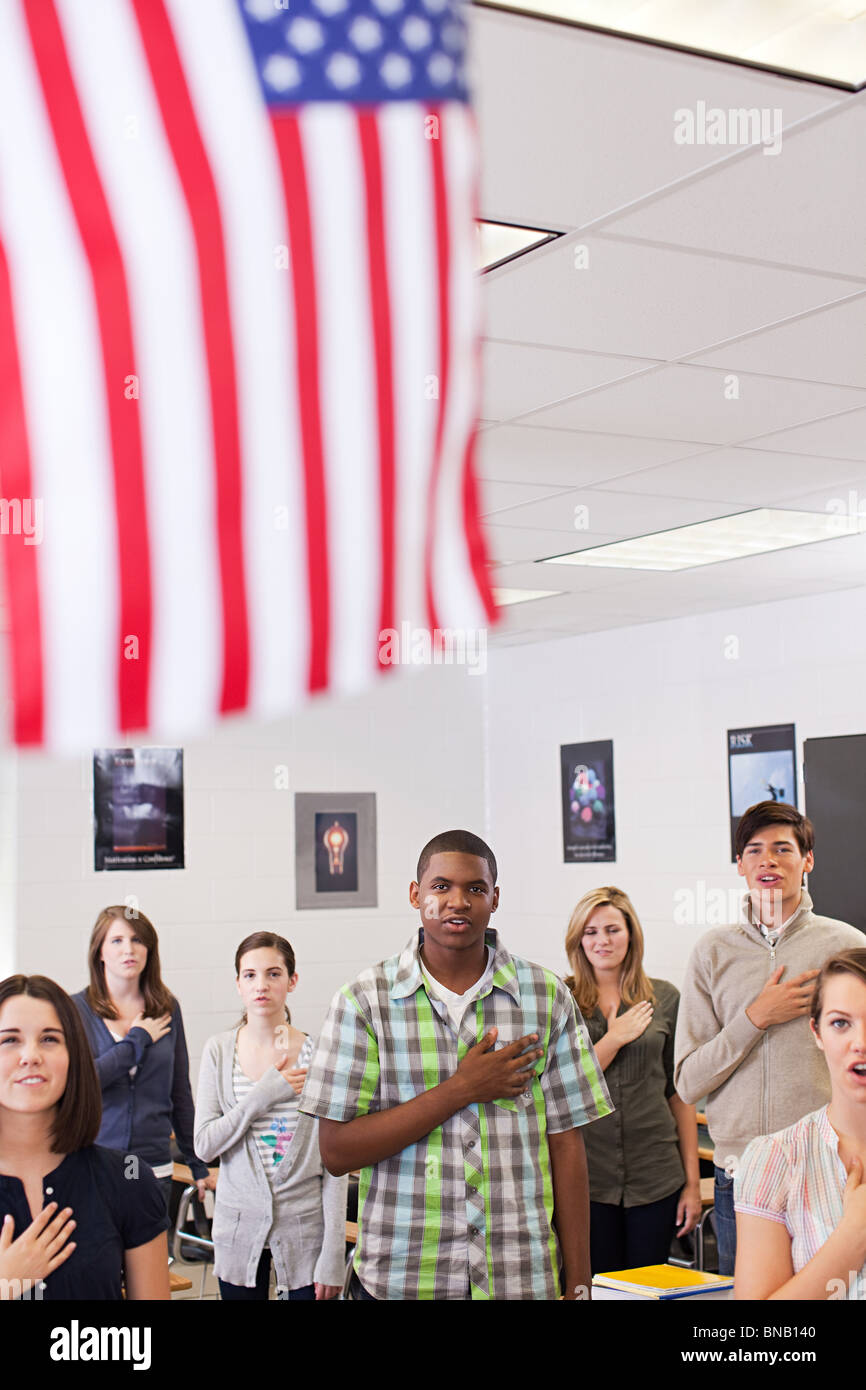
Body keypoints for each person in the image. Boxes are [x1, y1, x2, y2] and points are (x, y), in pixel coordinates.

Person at [300, 828, 613, 1301]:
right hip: (402, 1277)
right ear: (416, 895)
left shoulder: (546, 997)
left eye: (475, 889)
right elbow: (337, 1152)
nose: (458, 902)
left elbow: (567, 1145)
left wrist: (580, 1279)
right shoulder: (364, 1001)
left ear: (495, 899)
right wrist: (462, 1089)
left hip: (521, 1275)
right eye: (441, 887)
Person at [674, 801, 862, 1275]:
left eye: (782, 848)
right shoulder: (712, 952)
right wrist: (755, 1018)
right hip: (739, 1173)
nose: (768, 861)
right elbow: (687, 1082)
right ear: (740, 865)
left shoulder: (846, 946)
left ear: (808, 860)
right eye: (754, 850)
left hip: (832, 1168)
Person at [194, 932, 346, 1301]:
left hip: (305, 1231)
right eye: (250, 975)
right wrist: (264, 1094)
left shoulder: (321, 1054)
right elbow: (204, 1146)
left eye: (273, 974)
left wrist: (333, 1252)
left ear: (292, 981)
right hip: (237, 1229)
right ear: (238, 984)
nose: (261, 985)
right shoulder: (218, 1051)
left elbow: (335, 1164)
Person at [0, 974, 169, 1301]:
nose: (31, 1055)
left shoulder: (127, 1179)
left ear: (74, 1056)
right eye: (9, 1040)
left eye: (49, 1039)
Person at [565, 886, 701, 1273]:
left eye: (612, 929)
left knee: (648, 1286)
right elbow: (560, 1089)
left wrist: (692, 1183)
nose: (602, 941)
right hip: (588, 1178)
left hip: (656, 1175)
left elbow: (680, 1094)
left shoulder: (666, 998)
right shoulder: (563, 999)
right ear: (578, 940)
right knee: (595, 1286)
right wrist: (613, 1039)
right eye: (590, 932)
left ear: (631, 934)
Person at [734, 950, 866, 1299]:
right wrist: (854, 1234)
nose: (861, 1043)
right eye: (841, 1023)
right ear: (817, 1033)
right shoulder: (776, 1160)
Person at [72, 906, 211, 1215]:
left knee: (149, 1263)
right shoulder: (76, 1010)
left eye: (137, 940)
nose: (129, 950)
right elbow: (82, 1083)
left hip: (152, 1168)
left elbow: (180, 1093)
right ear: (100, 952)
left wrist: (197, 1163)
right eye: (117, 940)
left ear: (149, 949)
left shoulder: (166, 1008)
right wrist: (137, 1040)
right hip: (92, 1165)